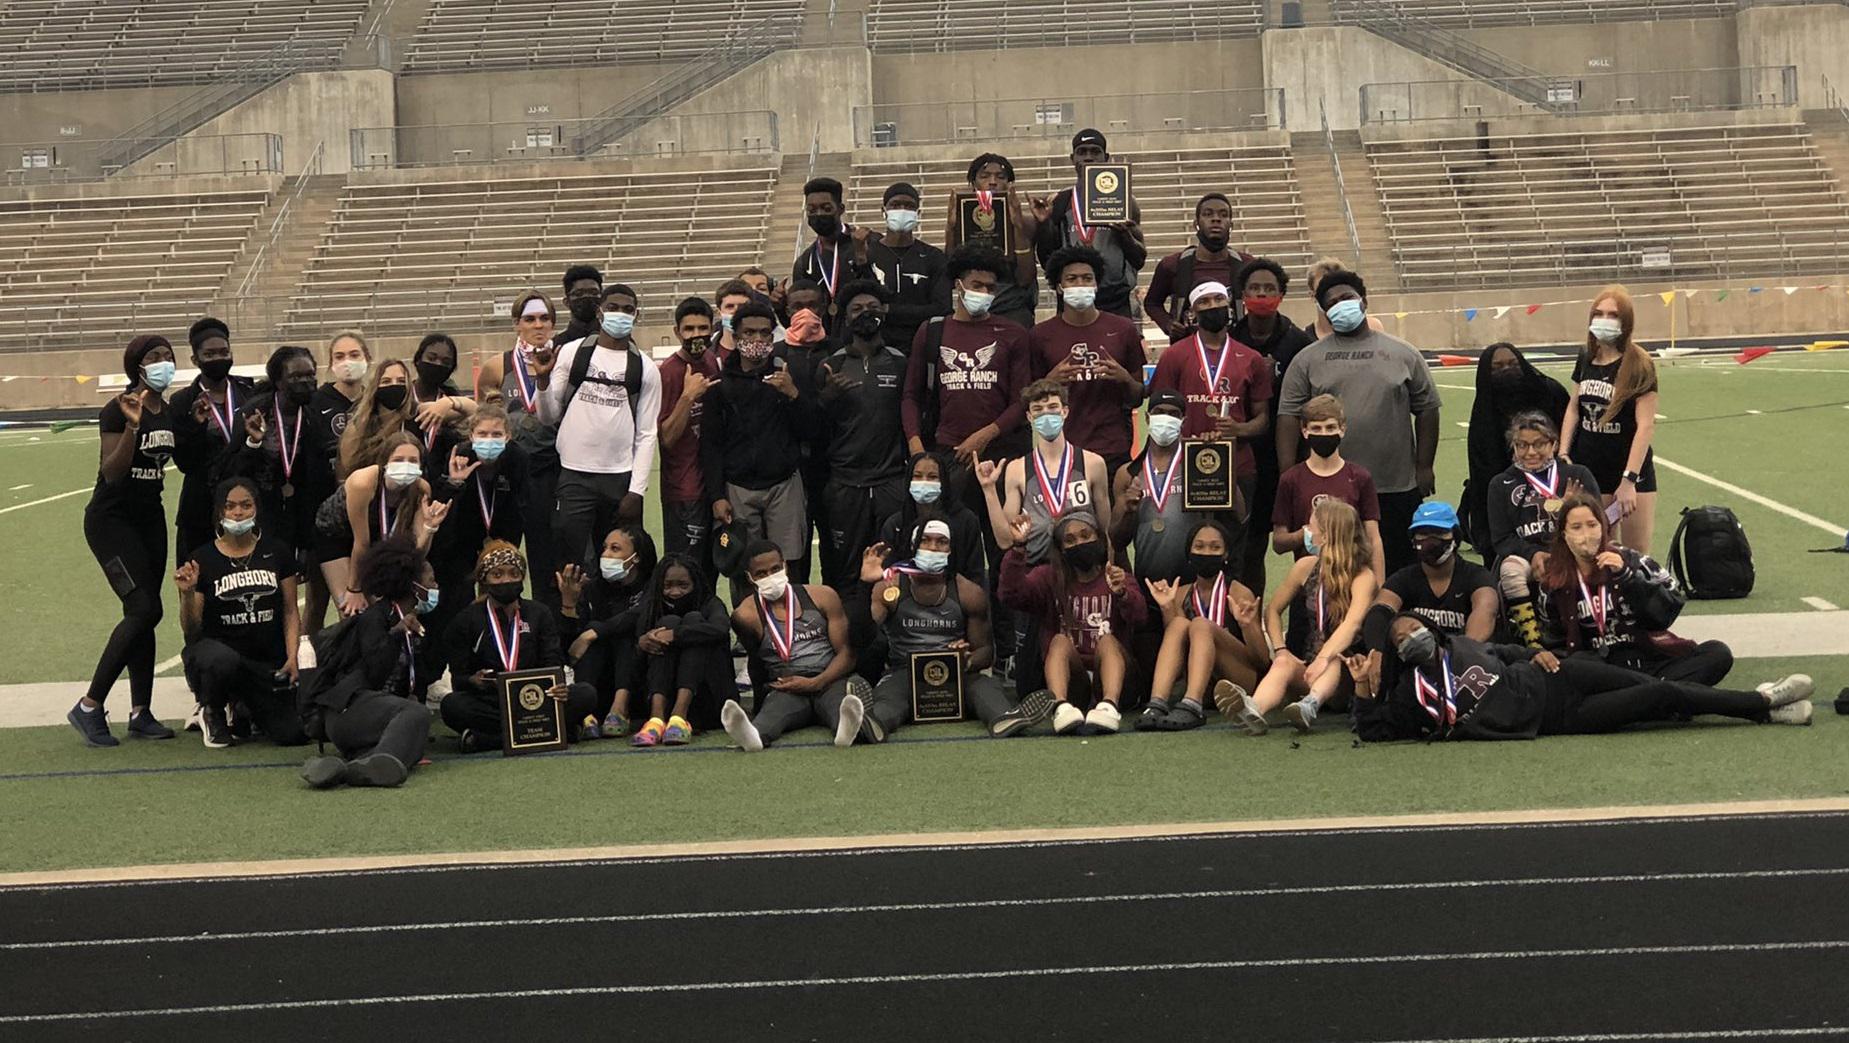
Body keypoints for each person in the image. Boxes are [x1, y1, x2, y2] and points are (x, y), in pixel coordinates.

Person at [1347, 611, 1813, 742]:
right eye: (1403, 637)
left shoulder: (1460, 644)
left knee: (1657, 689)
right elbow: (1372, 730)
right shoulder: (1412, 696)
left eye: (1414, 627)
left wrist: (1536, 654)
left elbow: (1507, 649)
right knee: (1660, 693)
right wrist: (1365, 685)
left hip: (1562, 677)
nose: (1413, 636)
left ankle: (1762, 704)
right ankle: (1761, 706)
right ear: (1397, 652)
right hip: (1561, 718)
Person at [1532, 495, 1810, 704]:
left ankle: (1653, 699)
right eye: (1576, 527)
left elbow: (1666, 612)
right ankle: (1672, 699)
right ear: (1564, 534)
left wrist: (1627, 577)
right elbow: (1556, 643)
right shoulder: (1554, 582)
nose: (1585, 535)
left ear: (1603, 527)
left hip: (1650, 659)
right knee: (1573, 671)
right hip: (1603, 669)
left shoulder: (1632, 561)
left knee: (1717, 653)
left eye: (1592, 525)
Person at [1277, 270, 1439, 575]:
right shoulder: (1307, 359)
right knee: (1329, 570)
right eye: (1332, 302)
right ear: (1324, 312)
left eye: (1346, 298)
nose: (1341, 305)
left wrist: (1424, 465)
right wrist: (1289, 474)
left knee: (1396, 568)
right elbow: (1288, 418)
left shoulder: (1402, 353)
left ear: (1363, 301)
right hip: (1328, 488)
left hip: (1395, 484)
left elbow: (1428, 409)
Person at [71, 335, 181, 746]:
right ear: (136, 366)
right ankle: (89, 705)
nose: (163, 363)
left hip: (148, 517)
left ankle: (141, 711)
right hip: (111, 520)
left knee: (148, 613)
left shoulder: (168, 412)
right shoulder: (117, 409)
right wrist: (133, 428)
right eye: (153, 357)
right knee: (142, 606)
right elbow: (112, 471)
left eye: (168, 356)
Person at [862, 521, 1048, 738]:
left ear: (950, 550)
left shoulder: (968, 592)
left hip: (957, 673)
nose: (932, 547)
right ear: (913, 547)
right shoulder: (889, 586)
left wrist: (967, 659)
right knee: (890, 697)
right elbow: (863, 636)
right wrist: (865, 585)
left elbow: (986, 653)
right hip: (904, 672)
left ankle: (1004, 717)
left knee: (985, 688)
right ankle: (874, 724)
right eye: (925, 540)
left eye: (941, 542)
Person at [533, 281, 662, 572]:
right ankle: (573, 616)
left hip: (619, 479)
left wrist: (636, 492)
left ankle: (612, 617)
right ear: (600, 312)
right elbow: (548, 416)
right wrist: (541, 382)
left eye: (628, 310)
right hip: (573, 476)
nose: (620, 314)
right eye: (613, 308)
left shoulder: (645, 368)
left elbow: (646, 433)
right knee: (571, 562)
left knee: (617, 566)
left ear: (636, 316)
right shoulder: (572, 353)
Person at [176, 476, 309, 749]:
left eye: (246, 505)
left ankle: (245, 708)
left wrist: (293, 657)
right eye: (231, 506)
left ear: (256, 509)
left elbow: (289, 611)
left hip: (264, 662)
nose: (238, 513)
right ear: (220, 511)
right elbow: (192, 630)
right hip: (219, 658)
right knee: (221, 660)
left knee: (292, 734)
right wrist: (187, 594)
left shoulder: (277, 552)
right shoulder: (202, 558)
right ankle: (211, 709)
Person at [902, 244, 1033, 513]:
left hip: (1001, 453)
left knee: (1005, 542)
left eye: (990, 287)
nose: (984, 293)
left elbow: (1021, 401)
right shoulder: (932, 331)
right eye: (977, 285)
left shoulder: (1013, 333)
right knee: (953, 540)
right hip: (949, 453)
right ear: (958, 285)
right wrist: (916, 444)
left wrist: (986, 434)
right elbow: (911, 395)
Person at [298, 538, 438, 788]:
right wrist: (395, 634)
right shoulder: (374, 619)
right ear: (413, 585)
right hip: (348, 709)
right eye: (430, 581)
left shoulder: (416, 622)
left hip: (376, 715)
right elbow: (376, 673)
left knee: (413, 736)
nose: (435, 586)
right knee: (415, 714)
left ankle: (342, 769)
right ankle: (381, 764)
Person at [1232, 498, 1377, 736]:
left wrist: (1323, 657)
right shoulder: (1306, 566)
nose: (1308, 534)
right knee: (1283, 663)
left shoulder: (1363, 576)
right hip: (1309, 667)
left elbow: (1353, 624)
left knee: (1335, 661)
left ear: (1328, 535)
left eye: (1312, 529)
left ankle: (1309, 706)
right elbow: (1272, 610)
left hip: (1348, 674)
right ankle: (1254, 709)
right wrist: (1280, 648)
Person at [439, 541, 595, 752]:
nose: (507, 580)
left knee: (585, 694)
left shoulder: (539, 613)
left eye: (514, 573)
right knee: (452, 705)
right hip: (493, 702)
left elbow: (553, 660)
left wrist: (558, 687)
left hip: (539, 698)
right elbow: (459, 678)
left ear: (522, 576)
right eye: (498, 575)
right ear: (484, 579)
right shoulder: (466, 620)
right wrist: (474, 680)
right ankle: (551, 731)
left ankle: (488, 740)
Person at [999, 511, 1145, 735]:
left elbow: (1140, 618)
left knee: (1106, 641)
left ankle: (1109, 707)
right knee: (1058, 641)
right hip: (1074, 682)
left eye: (1086, 535)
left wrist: (1123, 594)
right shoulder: (1049, 577)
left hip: (1117, 679)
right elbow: (1010, 594)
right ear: (1061, 549)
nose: (1080, 543)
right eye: (1070, 540)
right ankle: (1061, 707)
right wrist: (1019, 549)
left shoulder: (1116, 577)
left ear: (1098, 538)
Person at [720, 540, 874, 750]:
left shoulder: (823, 596)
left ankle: (844, 730)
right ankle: (753, 735)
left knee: (840, 706)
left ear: (786, 566)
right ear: (750, 577)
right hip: (787, 687)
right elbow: (756, 662)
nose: (770, 577)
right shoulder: (745, 615)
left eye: (775, 569)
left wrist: (817, 682)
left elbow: (847, 653)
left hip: (830, 679)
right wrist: (759, 702)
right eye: (761, 574)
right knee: (772, 714)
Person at [702, 300, 808, 595]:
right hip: (738, 487)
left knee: (789, 564)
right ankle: (750, 630)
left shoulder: (789, 376)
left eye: (764, 333)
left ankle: (795, 628)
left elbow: (812, 431)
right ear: (735, 338)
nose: (757, 340)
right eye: (749, 333)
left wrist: (794, 396)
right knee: (743, 565)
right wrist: (716, 496)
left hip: (783, 484)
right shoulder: (720, 385)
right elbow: (710, 446)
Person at [1147, 280, 1271, 530]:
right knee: (1188, 544)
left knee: (1235, 548)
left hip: (1237, 465)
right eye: (1204, 302)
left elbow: (1262, 419)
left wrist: (1237, 429)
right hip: (1184, 465)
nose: (1212, 306)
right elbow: (1158, 413)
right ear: (1192, 313)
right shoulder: (1174, 355)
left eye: (1218, 300)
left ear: (1229, 307)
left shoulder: (1251, 358)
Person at [816, 280, 912, 588]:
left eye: (872, 307)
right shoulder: (831, 365)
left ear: (884, 312)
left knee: (894, 563)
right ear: (845, 317)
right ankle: (849, 630)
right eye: (857, 309)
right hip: (845, 484)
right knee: (845, 567)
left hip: (890, 481)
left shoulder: (900, 362)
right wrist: (827, 396)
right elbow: (815, 424)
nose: (865, 314)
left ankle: (890, 631)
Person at [1229, 257, 1316, 594]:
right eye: (1254, 288)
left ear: (1281, 294)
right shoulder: (1230, 339)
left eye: (1269, 289)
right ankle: (1246, 623)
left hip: (1287, 459)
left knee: (1301, 541)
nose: (1261, 295)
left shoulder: (1298, 344)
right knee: (1249, 545)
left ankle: (1306, 616)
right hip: (1242, 456)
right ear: (1242, 294)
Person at [473, 293, 564, 609]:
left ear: (553, 323)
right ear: (517, 323)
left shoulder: (563, 360)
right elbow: (482, 420)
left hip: (549, 472)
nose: (538, 325)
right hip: (507, 475)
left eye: (544, 318)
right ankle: (492, 630)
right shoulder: (497, 366)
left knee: (546, 558)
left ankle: (546, 629)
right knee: (498, 555)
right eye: (530, 319)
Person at [423, 405, 530, 670]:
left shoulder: (518, 458)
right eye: (482, 434)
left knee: (500, 596)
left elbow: (519, 507)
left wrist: (503, 549)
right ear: (471, 435)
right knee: (455, 602)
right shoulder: (459, 455)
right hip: (458, 540)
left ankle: (500, 659)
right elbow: (441, 505)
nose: (489, 440)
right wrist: (455, 482)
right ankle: (447, 667)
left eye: (496, 434)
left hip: (501, 536)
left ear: (507, 437)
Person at [1138, 520, 1268, 731]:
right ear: (1189, 552)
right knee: (1180, 624)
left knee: (1200, 625)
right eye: (1199, 547)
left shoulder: (1238, 593)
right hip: (1202, 683)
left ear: (1226, 554)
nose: (1206, 552)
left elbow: (1262, 661)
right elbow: (1177, 646)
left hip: (1239, 681)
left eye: (1215, 547)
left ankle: (1192, 705)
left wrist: (1248, 627)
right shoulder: (1180, 594)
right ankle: (1157, 704)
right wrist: (1167, 608)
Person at [1030, 244, 1147, 475]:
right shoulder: (1040, 335)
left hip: (1113, 446)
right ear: (1059, 286)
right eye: (1072, 279)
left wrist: (1124, 379)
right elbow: (1028, 398)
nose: (1080, 285)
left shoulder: (1123, 329)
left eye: (1087, 278)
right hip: (1062, 449)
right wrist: (1049, 381)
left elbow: (1137, 396)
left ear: (1096, 284)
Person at [1487, 411, 1600, 647]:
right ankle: (1533, 642)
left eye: (1539, 444)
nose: (1530, 453)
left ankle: (1601, 626)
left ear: (1554, 444)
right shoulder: (1501, 484)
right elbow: (1501, 539)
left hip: (1573, 548)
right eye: (1522, 445)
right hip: (1528, 554)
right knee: (1510, 571)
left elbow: (1597, 524)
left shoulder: (1577, 475)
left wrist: (1568, 510)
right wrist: (1533, 554)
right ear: (1513, 447)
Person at [1561, 286, 1660, 553]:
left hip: (1628, 470)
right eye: (1599, 313)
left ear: (1625, 321)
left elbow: (1645, 425)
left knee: (1635, 552)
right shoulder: (1585, 357)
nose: (1604, 319)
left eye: (1613, 315)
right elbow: (1573, 408)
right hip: (1590, 468)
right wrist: (1563, 452)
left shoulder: (1639, 363)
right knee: (1596, 548)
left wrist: (1628, 480)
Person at [1366, 501, 1499, 698]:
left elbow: (1486, 612)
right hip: (1414, 665)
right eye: (1423, 534)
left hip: (1465, 664)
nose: (1430, 540)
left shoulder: (1477, 576)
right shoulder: (1403, 578)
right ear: (1413, 540)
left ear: (1455, 537)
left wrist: (1450, 658)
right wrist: (1377, 652)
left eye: (1439, 533)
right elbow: (1379, 612)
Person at [980, 379, 1112, 570]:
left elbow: (1104, 531)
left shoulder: (1093, 463)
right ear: (1030, 417)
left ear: (1065, 411)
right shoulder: (1017, 469)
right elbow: (1005, 541)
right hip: (1037, 570)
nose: (1046, 414)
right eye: (1038, 409)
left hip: (1082, 571)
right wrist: (989, 490)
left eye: (1052, 407)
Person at [227, 346, 336, 574]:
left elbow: (316, 481)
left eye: (310, 375)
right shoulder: (254, 412)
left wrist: (306, 544)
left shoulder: (314, 415)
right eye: (296, 377)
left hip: (299, 516)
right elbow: (234, 470)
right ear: (278, 381)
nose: (305, 381)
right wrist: (253, 443)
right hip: (259, 513)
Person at [326, 359, 415, 614]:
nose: (394, 387)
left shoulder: (417, 419)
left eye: (401, 381)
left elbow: (471, 410)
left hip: (391, 526)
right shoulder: (358, 428)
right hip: (345, 528)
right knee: (355, 613)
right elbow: (345, 479)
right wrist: (353, 588)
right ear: (375, 386)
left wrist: (451, 403)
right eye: (386, 381)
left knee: (392, 613)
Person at [1463, 342, 1569, 552]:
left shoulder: (1549, 392)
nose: (1506, 370)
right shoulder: (1484, 412)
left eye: (1513, 364)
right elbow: (1481, 473)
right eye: (1497, 367)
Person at [1029, 129, 1145, 319]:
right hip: (1072, 296)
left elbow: (1139, 258)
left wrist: (1124, 235)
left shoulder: (1125, 201)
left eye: (1095, 151)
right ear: (1072, 158)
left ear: (1106, 157)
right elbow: (1046, 258)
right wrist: (1044, 225)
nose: (1089, 157)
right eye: (1082, 152)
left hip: (1114, 298)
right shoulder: (1060, 201)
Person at [168, 317, 254, 570]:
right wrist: (196, 425)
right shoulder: (182, 402)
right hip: (200, 507)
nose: (218, 358)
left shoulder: (250, 392)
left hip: (249, 501)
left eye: (224, 352)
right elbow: (184, 462)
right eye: (210, 354)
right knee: (199, 583)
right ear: (195, 360)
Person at [1270, 395, 1385, 581]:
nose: (1324, 434)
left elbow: (1373, 538)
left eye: (1330, 427)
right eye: (1316, 428)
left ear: (1342, 429)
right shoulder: (1291, 479)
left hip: (1352, 578)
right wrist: (1307, 533)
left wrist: (1378, 586)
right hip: (1308, 580)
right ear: (1305, 431)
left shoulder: (1360, 477)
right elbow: (1278, 542)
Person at [558, 525, 658, 736]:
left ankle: (620, 708)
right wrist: (569, 604)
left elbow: (638, 616)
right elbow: (570, 646)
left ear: (636, 558)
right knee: (596, 638)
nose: (605, 554)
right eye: (604, 548)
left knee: (621, 635)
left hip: (638, 679)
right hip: (598, 680)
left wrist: (593, 633)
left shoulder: (653, 586)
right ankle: (587, 715)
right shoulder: (594, 588)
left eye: (615, 549)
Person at [630, 553, 736, 746]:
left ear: (695, 584)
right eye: (668, 586)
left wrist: (676, 635)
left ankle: (680, 715)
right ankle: (656, 719)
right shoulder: (653, 606)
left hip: (707, 698)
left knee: (694, 621)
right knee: (667, 623)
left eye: (683, 585)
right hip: (663, 692)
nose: (675, 592)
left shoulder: (710, 603)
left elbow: (721, 628)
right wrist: (643, 642)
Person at [335, 433, 446, 615]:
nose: (406, 465)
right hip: (337, 538)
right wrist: (354, 589)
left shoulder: (421, 488)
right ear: (385, 461)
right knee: (353, 612)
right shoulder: (363, 483)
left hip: (376, 543)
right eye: (398, 459)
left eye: (413, 460)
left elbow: (416, 552)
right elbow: (361, 542)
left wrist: (430, 527)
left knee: (385, 612)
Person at [304, 329, 371, 629]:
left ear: (367, 359)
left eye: (355, 355)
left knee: (365, 598)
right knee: (317, 599)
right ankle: (306, 669)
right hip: (325, 516)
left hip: (367, 513)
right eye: (340, 356)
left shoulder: (376, 399)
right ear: (330, 364)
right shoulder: (316, 402)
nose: (348, 362)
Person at [657, 297, 723, 573]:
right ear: (677, 332)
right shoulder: (668, 373)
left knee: (712, 567)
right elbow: (666, 439)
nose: (697, 335)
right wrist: (688, 397)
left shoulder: (711, 362)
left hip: (714, 487)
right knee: (686, 570)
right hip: (684, 491)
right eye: (689, 329)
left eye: (703, 328)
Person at [1112, 390, 1204, 585]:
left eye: (1173, 414)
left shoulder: (1197, 463)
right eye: (1159, 412)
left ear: (1183, 421)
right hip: (1147, 580)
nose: (1166, 419)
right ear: (1147, 418)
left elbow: (1237, 515)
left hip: (1194, 582)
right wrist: (1128, 511)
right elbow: (1117, 540)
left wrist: (1220, 456)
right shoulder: (1127, 474)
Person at [944, 153, 1039, 329]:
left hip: (1013, 311)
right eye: (984, 176)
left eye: (1000, 177)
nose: (993, 181)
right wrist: (951, 229)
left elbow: (1025, 278)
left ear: (1009, 184)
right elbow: (951, 272)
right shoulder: (962, 219)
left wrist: (1017, 228)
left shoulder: (1027, 222)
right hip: (972, 309)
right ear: (973, 183)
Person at [1144, 193, 1252, 339]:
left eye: (1223, 214)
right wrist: (1168, 324)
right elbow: (1152, 303)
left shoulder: (1247, 265)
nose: (1216, 219)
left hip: (1234, 350)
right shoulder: (1172, 265)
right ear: (1196, 224)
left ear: (1231, 225)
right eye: (1208, 214)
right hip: (1187, 351)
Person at [874, 451, 987, 585]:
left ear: (944, 481)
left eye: (932, 477)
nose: (924, 482)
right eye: (917, 476)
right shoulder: (895, 524)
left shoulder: (966, 521)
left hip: (955, 596)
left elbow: (975, 574)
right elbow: (888, 574)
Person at [867, 181, 949, 351]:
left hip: (922, 347)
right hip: (877, 347)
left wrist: (890, 311)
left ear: (917, 213)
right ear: (883, 211)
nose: (902, 210)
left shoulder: (933, 257)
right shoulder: (869, 255)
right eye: (895, 205)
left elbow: (942, 308)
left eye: (909, 206)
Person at [794, 177, 873, 330]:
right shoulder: (805, 262)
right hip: (826, 344)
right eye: (812, 210)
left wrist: (862, 259)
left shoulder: (869, 242)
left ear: (841, 209)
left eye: (826, 208)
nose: (819, 214)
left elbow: (882, 293)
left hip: (866, 337)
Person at [406, 332, 476, 453]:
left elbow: (477, 413)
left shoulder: (454, 400)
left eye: (446, 362)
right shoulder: (402, 395)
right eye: (431, 358)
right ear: (418, 360)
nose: (438, 364)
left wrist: (450, 404)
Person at [1305, 257, 1385, 340]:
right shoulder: (1305, 338)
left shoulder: (1373, 327)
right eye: (1323, 289)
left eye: (1338, 287)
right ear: (1312, 295)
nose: (1334, 294)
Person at [558, 263, 604, 346]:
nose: (587, 297)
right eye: (579, 294)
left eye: (593, 293)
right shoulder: (557, 345)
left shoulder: (617, 342)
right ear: (566, 302)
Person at [711, 279, 756, 360]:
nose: (736, 311)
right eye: (730, 306)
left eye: (743, 306)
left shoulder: (768, 351)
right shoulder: (704, 354)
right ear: (719, 312)